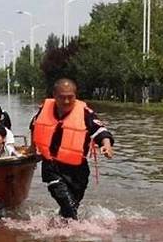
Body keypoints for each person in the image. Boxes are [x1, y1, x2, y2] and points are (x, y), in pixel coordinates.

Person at [30, 78, 114, 220]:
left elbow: (100, 130)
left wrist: (106, 145)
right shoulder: (44, 110)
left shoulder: (85, 113)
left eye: (71, 97)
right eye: (62, 97)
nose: (67, 101)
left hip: (78, 170)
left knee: (70, 209)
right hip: (52, 168)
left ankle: (59, 231)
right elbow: (34, 128)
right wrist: (32, 150)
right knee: (67, 205)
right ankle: (77, 236)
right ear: (54, 95)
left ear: (76, 96)